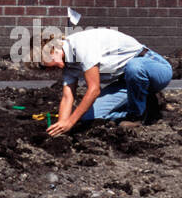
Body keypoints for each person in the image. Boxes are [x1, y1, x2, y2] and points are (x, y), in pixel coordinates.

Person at [40, 27, 173, 137]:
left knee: (134, 67)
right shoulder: (69, 65)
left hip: (154, 68)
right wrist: (62, 125)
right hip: (127, 82)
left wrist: (71, 122)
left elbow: (94, 90)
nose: (46, 68)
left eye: (43, 63)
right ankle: (148, 106)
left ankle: (136, 115)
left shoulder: (81, 46)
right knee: (87, 117)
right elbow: (67, 96)